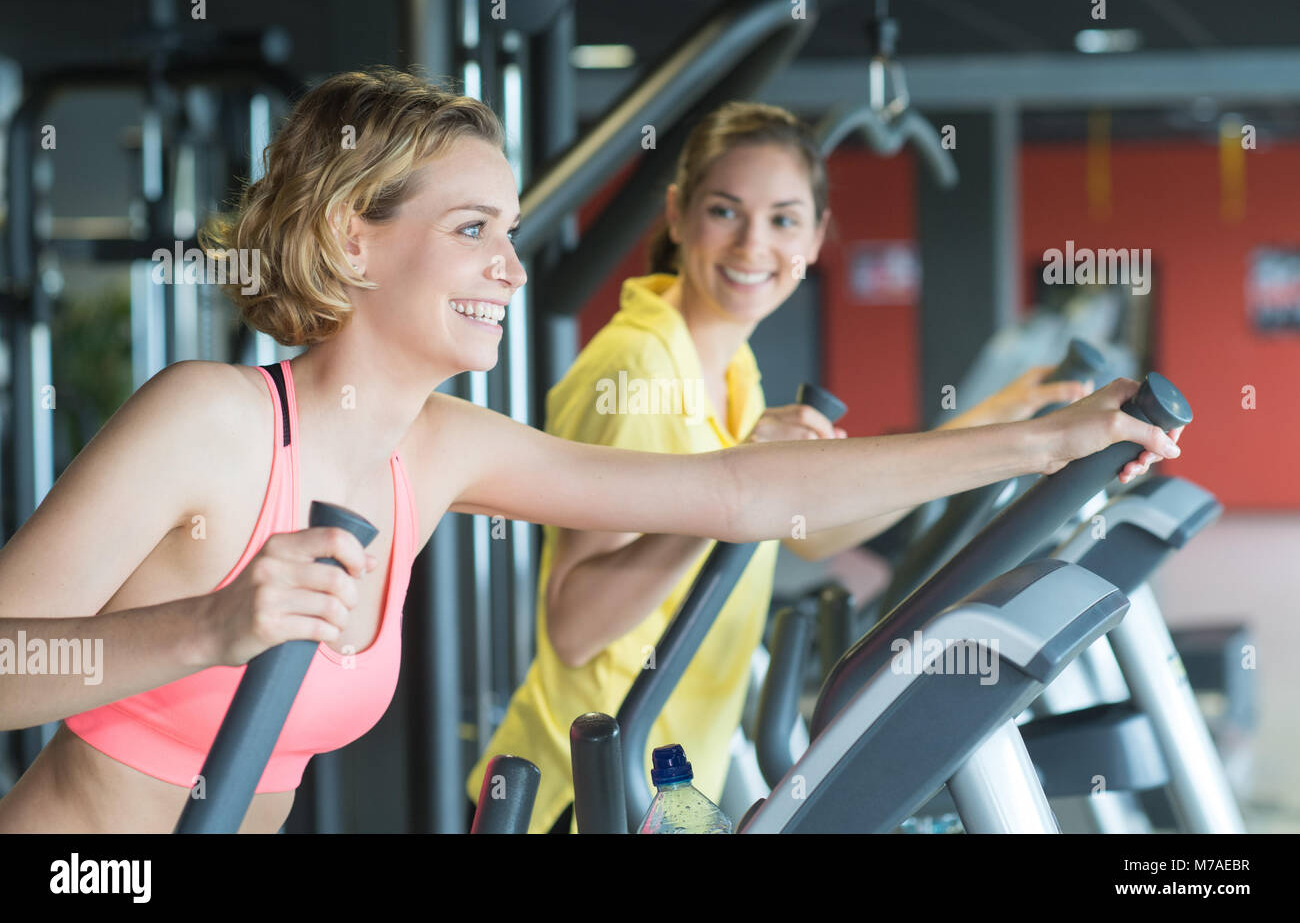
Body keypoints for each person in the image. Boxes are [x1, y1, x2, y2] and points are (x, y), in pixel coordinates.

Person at [0, 69, 1181, 834]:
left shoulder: (439, 446)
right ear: (352, 242)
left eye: (509, 233)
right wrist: (204, 631)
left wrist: (1044, 440)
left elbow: (734, 488)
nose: (512, 269)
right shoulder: (211, 418)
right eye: (474, 231)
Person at [465, 100, 1171, 833]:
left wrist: (993, 415)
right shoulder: (639, 368)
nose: (753, 245)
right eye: (724, 211)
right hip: (578, 795)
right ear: (676, 215)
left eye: (783, 220)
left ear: (815, 238)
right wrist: (733, 483)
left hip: (662, 785)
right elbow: (576, 625)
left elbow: (807, 534)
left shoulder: (731, 366)